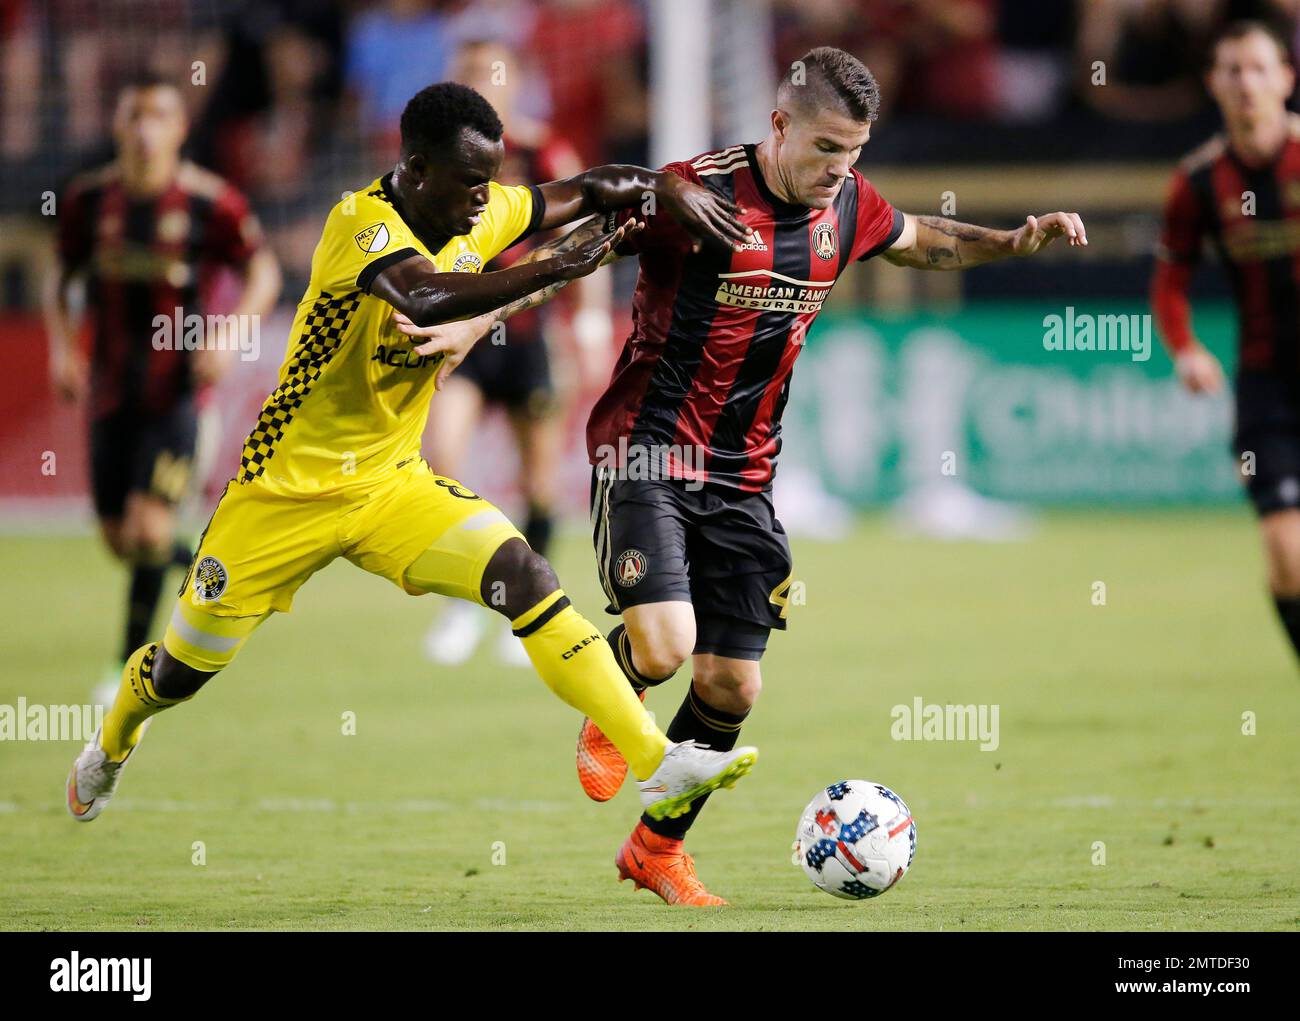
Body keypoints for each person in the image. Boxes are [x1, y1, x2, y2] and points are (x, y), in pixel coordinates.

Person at [397, 47, 1087, 905]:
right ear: (779, 125)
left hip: (747, 475)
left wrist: (1012, 242)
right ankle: (615, 688)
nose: (843, 169)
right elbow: (585, 246)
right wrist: (480, 318)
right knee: (667, 644)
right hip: (648, 449)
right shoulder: (698, 194)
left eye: (857, 151)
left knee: (733, 684)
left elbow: (922, 241)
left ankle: (655, 849)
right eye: (827, 147)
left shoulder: (850, 209)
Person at [66, 82, 762, 841]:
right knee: (179, 673)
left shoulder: (483, 205)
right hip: (282, 495)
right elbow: (427, 299)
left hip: (391, 485)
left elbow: (595, 186)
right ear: (416, 167)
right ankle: (113, 740)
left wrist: (668, 187)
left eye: (489, 181)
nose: (483, 199)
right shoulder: (358, 223)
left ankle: (653, 758)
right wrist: (559, 266)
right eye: (469, 183)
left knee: (526, 575)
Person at [44, 73, 282, 698]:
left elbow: (263, 270)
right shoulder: (88, 202)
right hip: (109, 393)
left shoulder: (211, 202)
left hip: (179, 394)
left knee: (148, 528)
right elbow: (59, 273)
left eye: (158, 117)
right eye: (133, 117)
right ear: (118, 126)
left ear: (179, 128)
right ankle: (202, 567)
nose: (145, 130)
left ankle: (127, 666)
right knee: (123, 541)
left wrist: (229, 337)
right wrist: (63, 346)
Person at [424, 38, 612, 668]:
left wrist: (587, 323)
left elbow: (591, 235)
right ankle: (461, 605)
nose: (483, 86)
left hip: (529, 333)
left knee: (537, 479)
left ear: (513, 83)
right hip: (460, 333)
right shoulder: (435, 160)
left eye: (492, 75)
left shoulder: (541, 151)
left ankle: (529, 609)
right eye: (470, 74)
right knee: (442, 461)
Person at [1152, 19, 1300, 664]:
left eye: (1259, 68)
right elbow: (1169, 283)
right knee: (1288, 557)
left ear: (1287, 78)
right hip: (1267, 387)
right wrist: (1185, 347)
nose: (1247, 83)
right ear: (1213, 82)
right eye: (1233, 69)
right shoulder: (1197, 182)